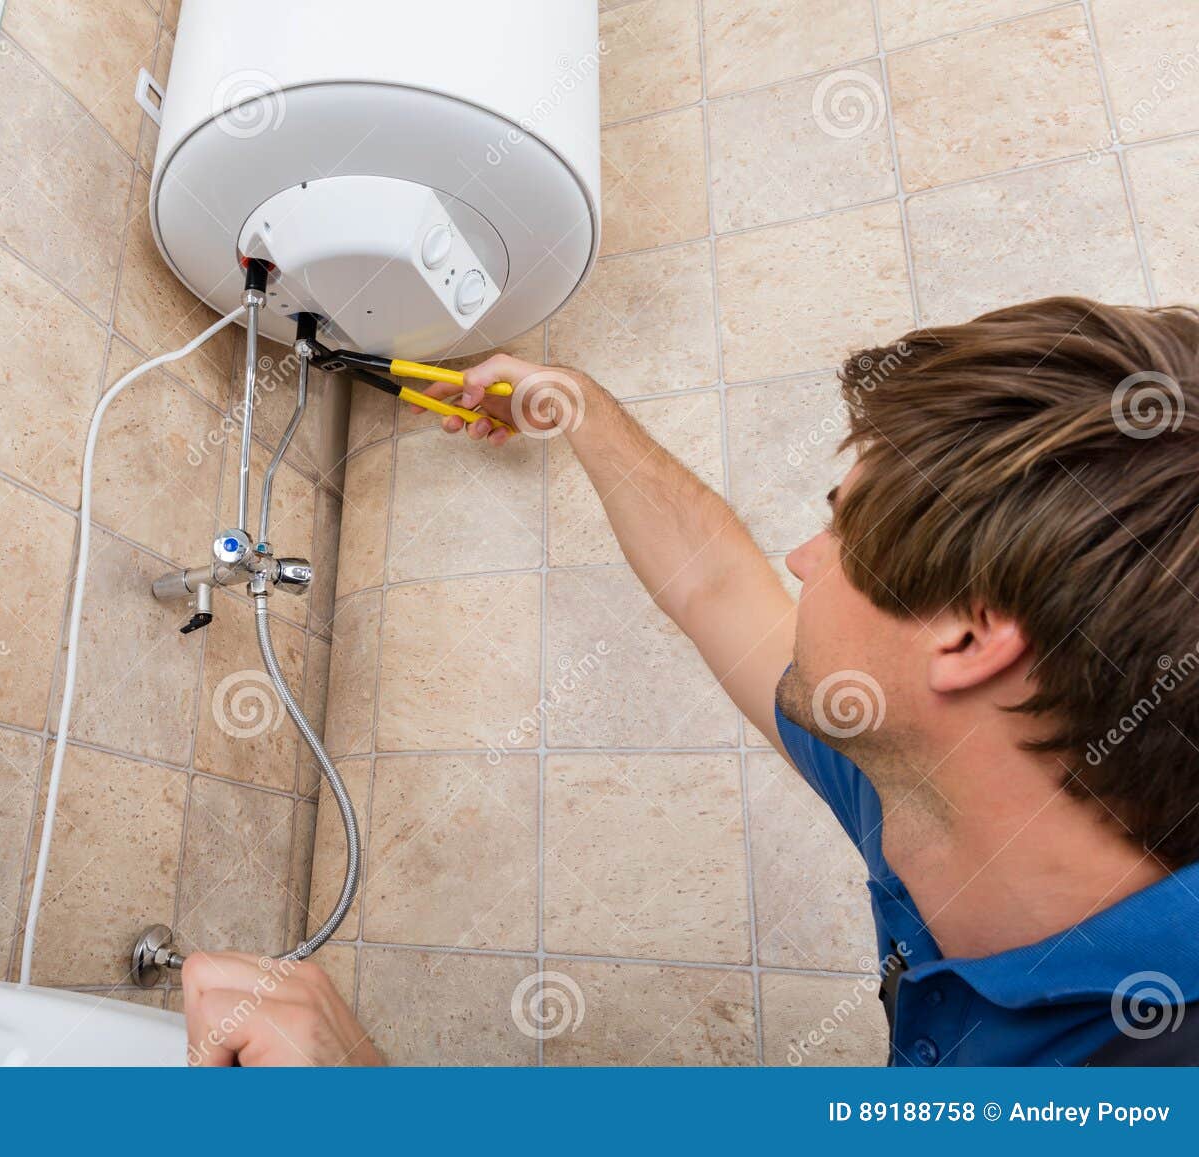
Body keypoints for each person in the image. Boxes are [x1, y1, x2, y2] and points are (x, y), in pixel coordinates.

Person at [181, 297, 1199, 1067]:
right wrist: (569, 400)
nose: (802, 558)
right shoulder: (952, 792)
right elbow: (714, 578)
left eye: (841, 525)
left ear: (970, 638)